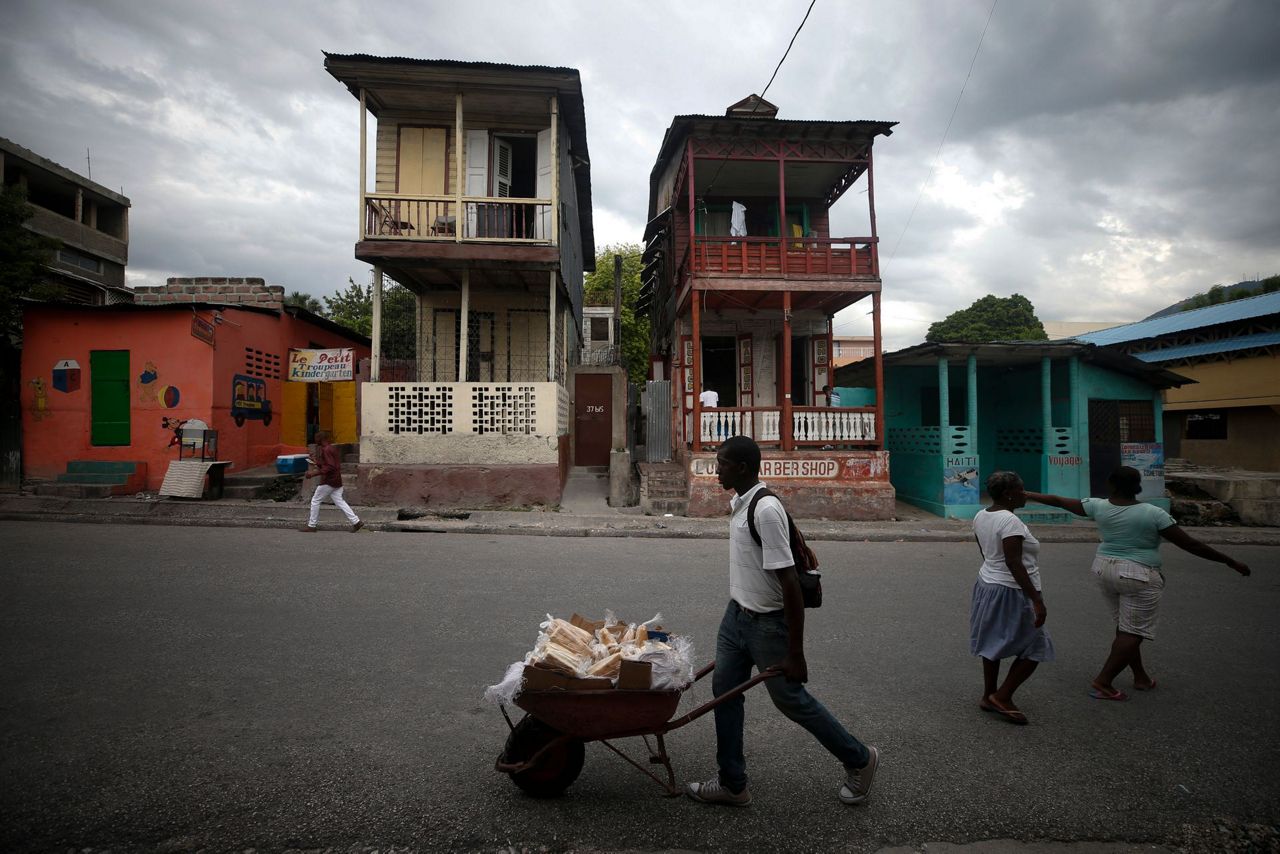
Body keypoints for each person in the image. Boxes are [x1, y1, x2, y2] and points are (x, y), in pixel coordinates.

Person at [685, 435, 878, 807]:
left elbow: (789, 583)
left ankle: (860, 758)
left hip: (768, 624)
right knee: (724, 696)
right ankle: (732, 782)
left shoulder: (765, 510)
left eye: (722, 462)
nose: (716, 468)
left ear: (741, 467)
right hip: (736, 616)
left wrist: (796, 652)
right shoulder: (740, 503)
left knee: (791, 701)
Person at [1027, 466, 1249, 700]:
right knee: (1132, 631)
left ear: (1111, 484)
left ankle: (1140, 676)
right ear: (1136, 486)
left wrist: (1028, 494)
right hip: (1138, 573)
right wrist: (1229, 561)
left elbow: (1058, 501)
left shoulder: (1098, 506)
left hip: (1104, 569)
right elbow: (1191, 545)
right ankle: (1104, 681)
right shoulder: (1153, 513)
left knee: (1126, 627)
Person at [970, 471, 1054, 725]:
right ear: (1009, 494)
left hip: (988, 583)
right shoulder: (1010, 522)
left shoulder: (981, 515)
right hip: (1010, 589)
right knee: (1037, 645)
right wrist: (1036, 599)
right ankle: (1003, 696)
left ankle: (989, 694)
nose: (1025, 494)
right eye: (1021, 489)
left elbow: (986, 552)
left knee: (992, 640)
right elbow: (1014, 562)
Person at [300, 430, 362, 533]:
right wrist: (316, 462)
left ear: (321, 439)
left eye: (317, 438)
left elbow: (329, 467)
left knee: (315, 500)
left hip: (329, 480)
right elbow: (330, 464)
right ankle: (356, 522)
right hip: (336, 480)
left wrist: (313, 474)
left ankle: (312, 525)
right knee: (340, 501)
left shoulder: (326, 450)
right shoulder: (331, 448)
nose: (315, 440)